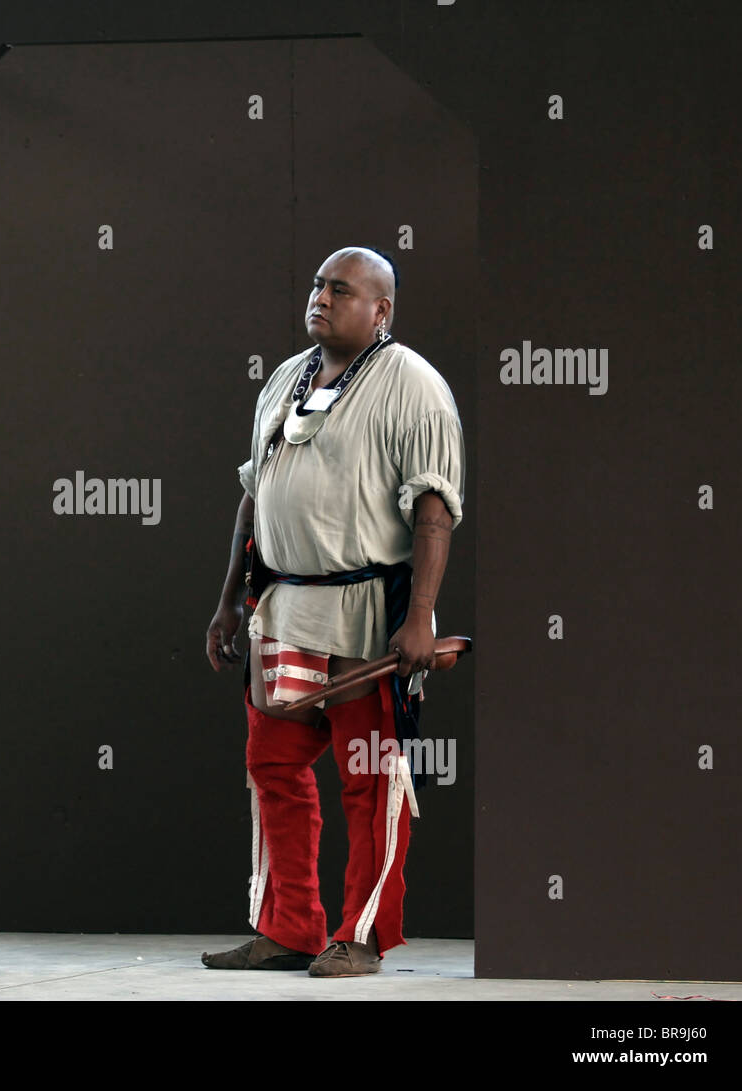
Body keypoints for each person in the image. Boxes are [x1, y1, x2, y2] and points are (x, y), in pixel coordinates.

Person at [201, 246, 465, 976]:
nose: (321, 296)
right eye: (318, 284)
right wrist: (229, 599)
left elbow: (435, 511)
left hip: (367, 609)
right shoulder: (286, 378)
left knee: (369, 772)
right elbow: (254, 494)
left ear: (380, 310)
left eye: (340, 289)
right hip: (283, 604)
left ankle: (364, 933)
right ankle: (289, 925)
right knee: (272, 765)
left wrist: (421, 616)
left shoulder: (413, 385)